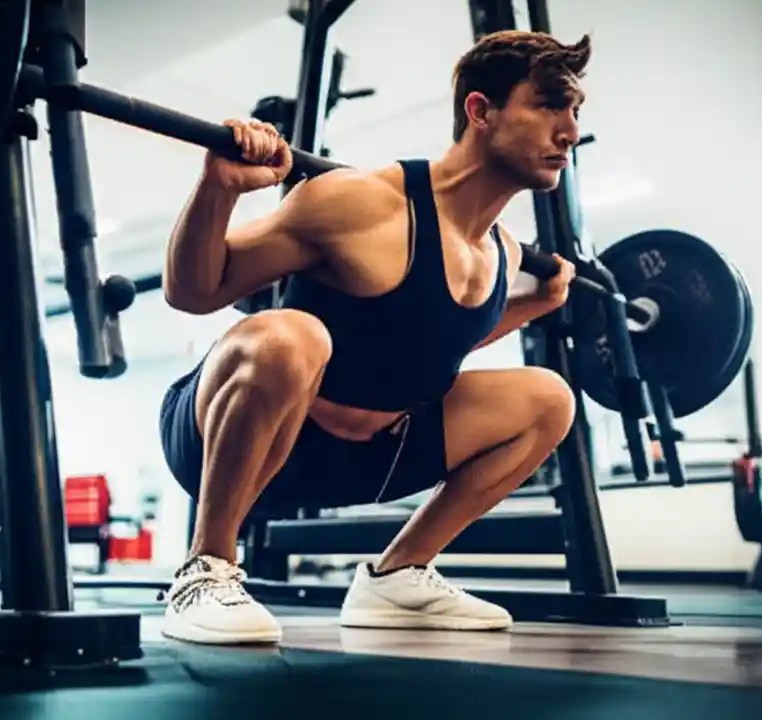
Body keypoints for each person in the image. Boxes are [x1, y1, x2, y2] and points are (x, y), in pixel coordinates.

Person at [158, 29, 588, 645]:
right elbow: (195, 292)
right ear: (480, 111)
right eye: (549, 104)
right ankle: (206, 568)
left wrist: (534, 304)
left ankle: (397, 575)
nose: (568, 130)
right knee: (291, 335)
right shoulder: (361, 202)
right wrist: (219, 187)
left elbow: (427, 342)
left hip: (364, 460)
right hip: (227, 446)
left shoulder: (501, 250)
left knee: (549, 399)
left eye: (574, 111)